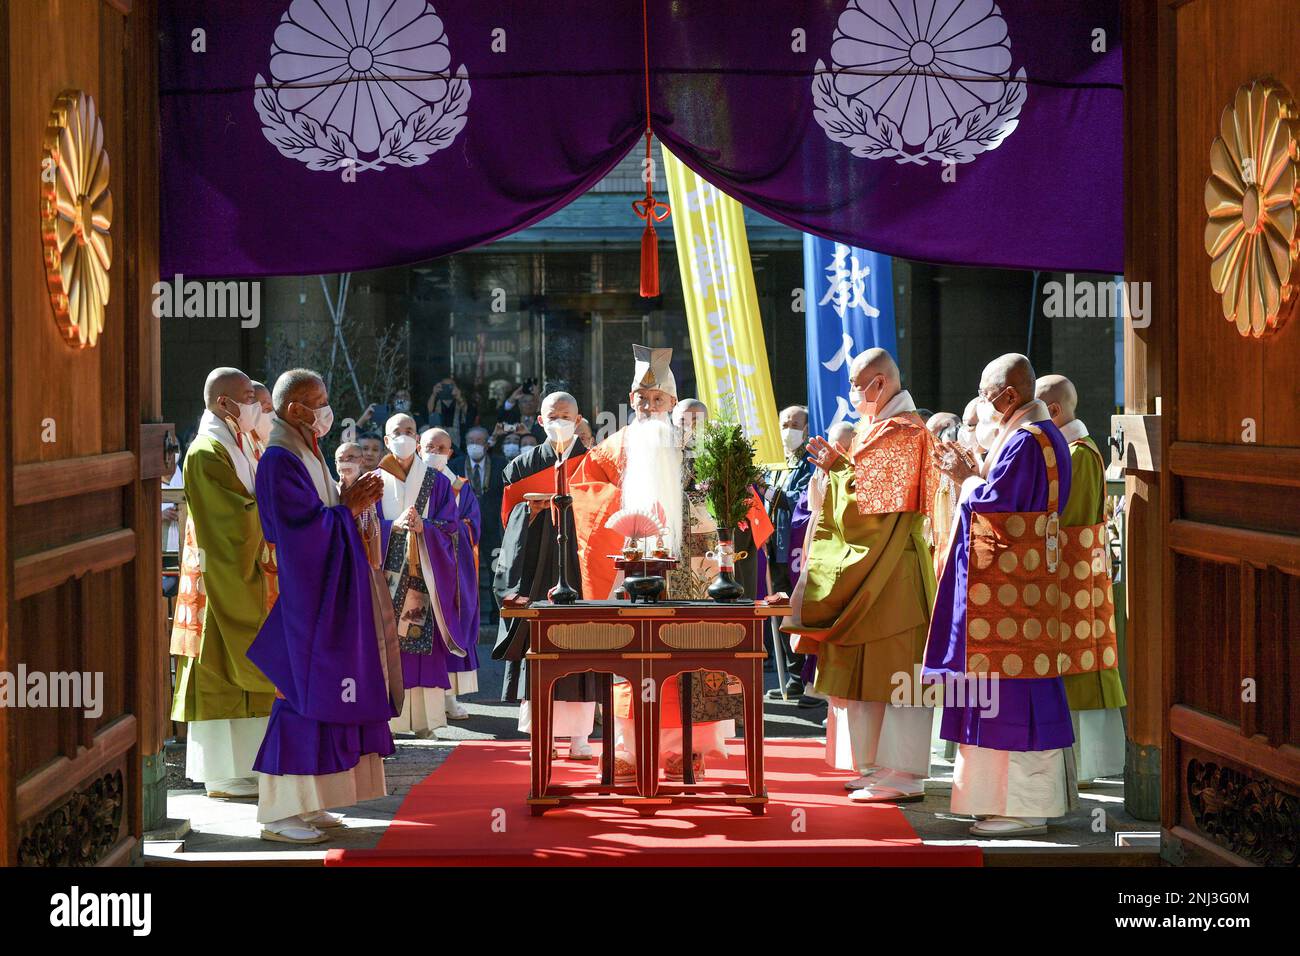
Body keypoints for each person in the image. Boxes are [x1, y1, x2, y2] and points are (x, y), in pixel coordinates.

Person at [570, 346, 768, 781]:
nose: (648, 405)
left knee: (692, 652)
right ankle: (629, 750)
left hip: (693, 566)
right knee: (632, 655)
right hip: (634, 564)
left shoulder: (694, 445)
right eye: (641, 398)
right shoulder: (615, 445)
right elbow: (583, 490)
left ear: (673, 403)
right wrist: (623, 517)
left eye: (657, 399)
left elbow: (730, 496)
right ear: (631, 400)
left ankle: (689, 749)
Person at [248, 368, 402, 844]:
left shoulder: (305, 447)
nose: (326, 412)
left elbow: (323, 515)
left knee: (331, 693)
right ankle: (279, 811)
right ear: (295, 409)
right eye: (318, 403)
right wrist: (345, 509)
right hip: (301, 599)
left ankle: (313, 801)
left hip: (326, 593)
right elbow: (294, 532)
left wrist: (350, 511)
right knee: (300, 696)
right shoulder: (279, 457)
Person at [927, 353, 1077, 837]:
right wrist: (975, 472)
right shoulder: (1040, 436)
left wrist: (964, 478)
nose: (983, 402)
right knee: (1004, 688)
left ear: (1010, 395)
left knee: (1011, 694)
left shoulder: (1027, 441)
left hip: (1007, 595)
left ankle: (1022, 808)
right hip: (1021, 590)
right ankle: (997, 801)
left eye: (987, 392)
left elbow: (996, 506)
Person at [783, 350, 940, 804]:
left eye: (858, 383)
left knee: (897, 673)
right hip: (876, 566)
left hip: (895, 569)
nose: (853, 392)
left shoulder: (905, 430)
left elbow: (875, 505)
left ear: (881, 383)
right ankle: (874, 766)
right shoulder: (882, 427)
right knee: (868, 668)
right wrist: (840, 468)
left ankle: (904, 773)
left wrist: (838, 469)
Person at [170, 367, 275, 800]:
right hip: (221, 581)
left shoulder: (243, 442)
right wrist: (278, 517)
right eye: (249, 396)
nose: (255, 403)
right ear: (224, 403)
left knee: (257, 672)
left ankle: (252, 769)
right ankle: (221, 774)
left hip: (249, 575)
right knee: (218, 671)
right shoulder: (205, 451)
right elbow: (232, 520)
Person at [492, 391, 602, 760]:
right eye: (553, 415)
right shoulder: (521, 465)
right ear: (540, 421)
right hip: (537, 569)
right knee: (539, 648)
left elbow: (603, 514)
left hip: (578, 565)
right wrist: (533, 511)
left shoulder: (592, 463)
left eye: (567, 415)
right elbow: (509, 526)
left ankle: (581, 737)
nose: (560, 421)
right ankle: (542, 733)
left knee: (581, 646)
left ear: (579, 418)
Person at [1036, 374, 1126, 785]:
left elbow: (1066, 520)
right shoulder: (1065, 451)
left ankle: (1082, 765)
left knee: (1077, 664)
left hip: (1073, 579)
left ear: (1052, 411)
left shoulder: (1079, 453)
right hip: (1064, 577)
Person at [372, 413, 471, 739]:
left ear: (417, 438)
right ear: (386, 441)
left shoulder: (437, 481)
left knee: (423, 652)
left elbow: (452, 527)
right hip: (387, 578)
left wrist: (424, 527)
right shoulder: (373, 481)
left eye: (409, 431)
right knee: (386, 647)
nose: (403, 436)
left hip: (424, 578)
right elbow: (362, 529)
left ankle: (427, 720)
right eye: (396, 432)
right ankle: (389, 720)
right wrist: (390, 528)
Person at [420, 427, 482, 720]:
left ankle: (450, 697)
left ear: (450, 452)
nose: (435, 452)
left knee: (449, 629)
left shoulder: (459, 485)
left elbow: (472, 523)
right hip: (416, 561)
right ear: (420, 447)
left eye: (441, 448)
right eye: (430, 446)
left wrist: (448, 531)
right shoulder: (408, 481)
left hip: (451, 567)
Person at [764, 405, 814, 699]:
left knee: (797, 612)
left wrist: (771, 493)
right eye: (784, 424)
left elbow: (803, 501)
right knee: (780, 611)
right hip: (772, 548)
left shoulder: (809, 464)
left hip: (794, 550)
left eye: (794, 425)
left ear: (806, 429)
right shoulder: (775, 464)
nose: (788, 431)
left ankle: (801, 674)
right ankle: (790, 671)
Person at [454, 425, 506, 627]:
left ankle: (497, 613)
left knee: (497, 571)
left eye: (479, 442)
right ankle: (466, 613)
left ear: (487, 444)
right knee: (464, 571)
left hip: (493, 528)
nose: (475, 446)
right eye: (471, 442)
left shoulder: (500, 465)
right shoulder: (456, 465)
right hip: (464, 527)